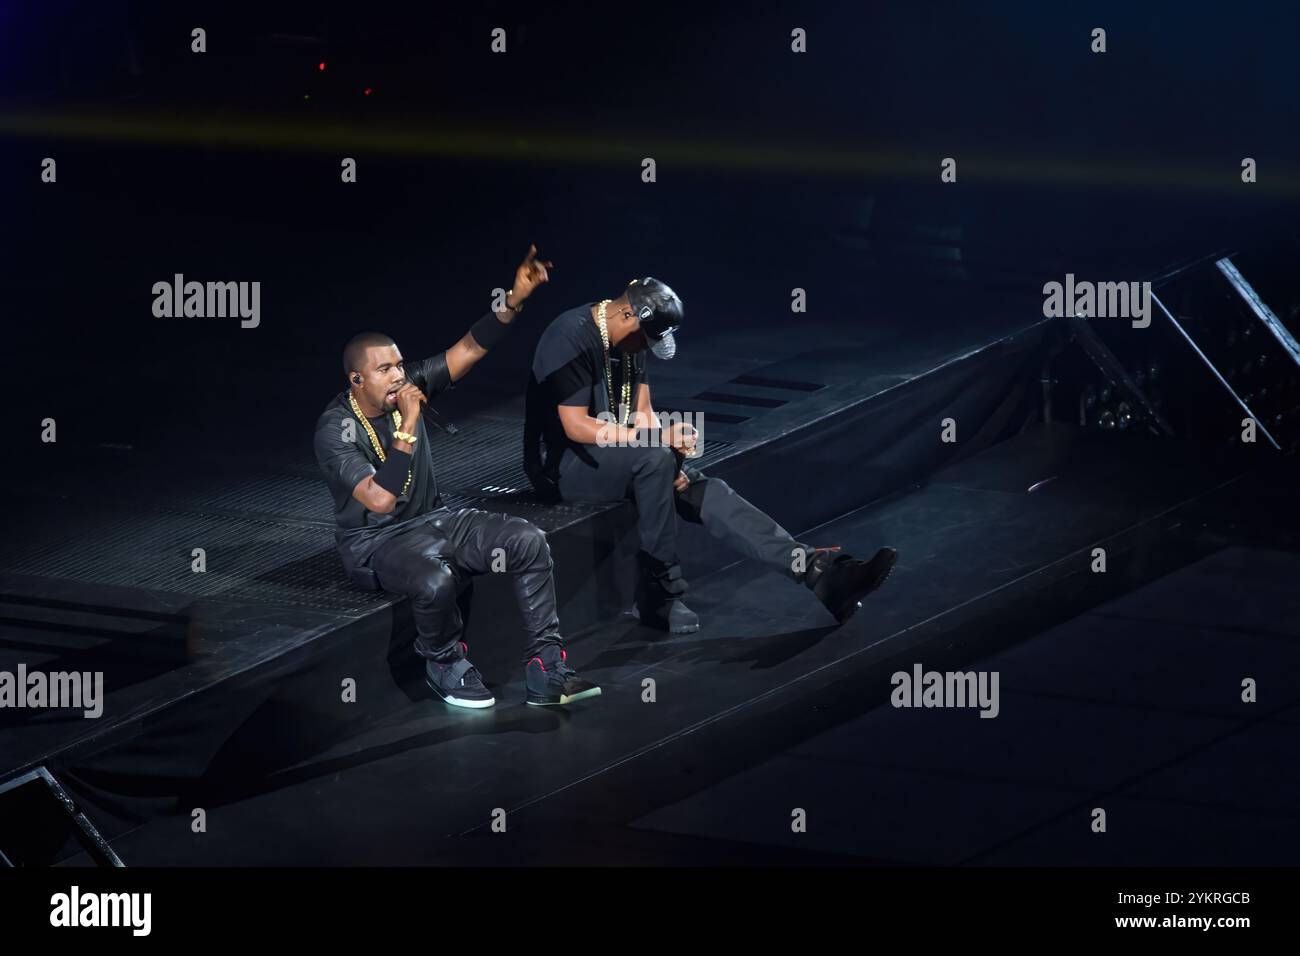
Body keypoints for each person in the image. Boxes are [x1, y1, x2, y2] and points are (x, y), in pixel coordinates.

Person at [523, 277, 897, 633]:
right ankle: (658, 593)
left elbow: (643, 412)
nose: (646, 350)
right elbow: (575, 426)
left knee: (706, 488)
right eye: (645, 341)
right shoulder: (569, 335)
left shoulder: (632, 340)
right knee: (654, 461)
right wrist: (655, 447)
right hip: (562, 465)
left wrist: (669, 444)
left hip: (619, 454)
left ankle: (818, 573)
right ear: (628, 316)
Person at [313, 246, 599, 708]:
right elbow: (380, 500)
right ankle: (443, 660)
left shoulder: (410, 385)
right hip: (376, 544)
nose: (397, 376)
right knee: (435, 583)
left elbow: (468, 349)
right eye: (383, 369)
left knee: (526, 539)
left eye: (399, 365)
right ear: (355, 381)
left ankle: (546, 668)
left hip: (437, 517)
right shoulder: (334, 430)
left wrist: (514, 298)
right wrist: (408, 424)